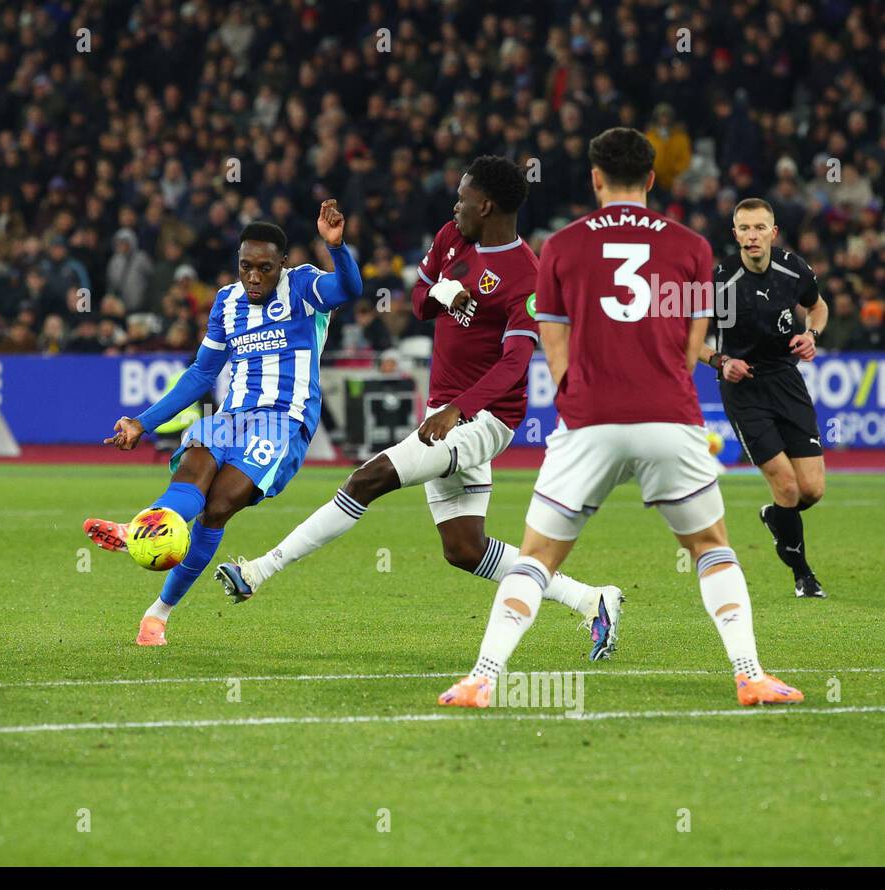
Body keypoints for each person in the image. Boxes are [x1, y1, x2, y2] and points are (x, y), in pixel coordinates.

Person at [439, 128, 802, 709]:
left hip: (589, 418)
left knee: (536, 558)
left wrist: (570, 391)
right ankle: (750, 673)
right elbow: (694, 342)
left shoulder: (559, 245)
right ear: (653, 180)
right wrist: (664, 384)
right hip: (668, 415)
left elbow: (551, 336)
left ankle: (482, 677)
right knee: (711, 546)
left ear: (596, 179)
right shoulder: (691, 247)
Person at [216, 157, 623, 660]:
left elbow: (516, 362)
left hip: (486, 419)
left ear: (487, 205)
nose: (456, 205)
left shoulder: (527, 276)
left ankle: (258, 570)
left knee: (366, 480)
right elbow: (418, 299)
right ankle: (593, 599)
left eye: (464, 197)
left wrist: (460, 410)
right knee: (464, 549)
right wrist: (442, 294)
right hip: (446, 409)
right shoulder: (453, 235)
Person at [83, 202, 362, 646]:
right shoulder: (227, 302)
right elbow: (201, 373)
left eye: (265, 268)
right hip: (230, 417)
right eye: (246, 266)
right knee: (193, 470)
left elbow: (349, 289)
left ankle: (158, 608)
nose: (254, 277)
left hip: (282, 421)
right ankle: (142, 535)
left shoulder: (305, 286)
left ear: (282, 265)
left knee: (217, 507)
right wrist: (143, 422)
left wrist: (337, 246)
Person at [701, 198, 830, 598]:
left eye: (760, 228)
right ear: (734, 233)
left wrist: (811, 335)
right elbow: (685, 339)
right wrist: (720, 362)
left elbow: (818, 306)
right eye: (744, 228)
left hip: (785, 380)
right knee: (787, 486)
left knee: (812, 490)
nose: (752, 235)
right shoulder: (718, 280)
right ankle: (803, 575)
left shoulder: (794, 268)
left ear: (773, 233)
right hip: (743, 388)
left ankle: (776, 517)